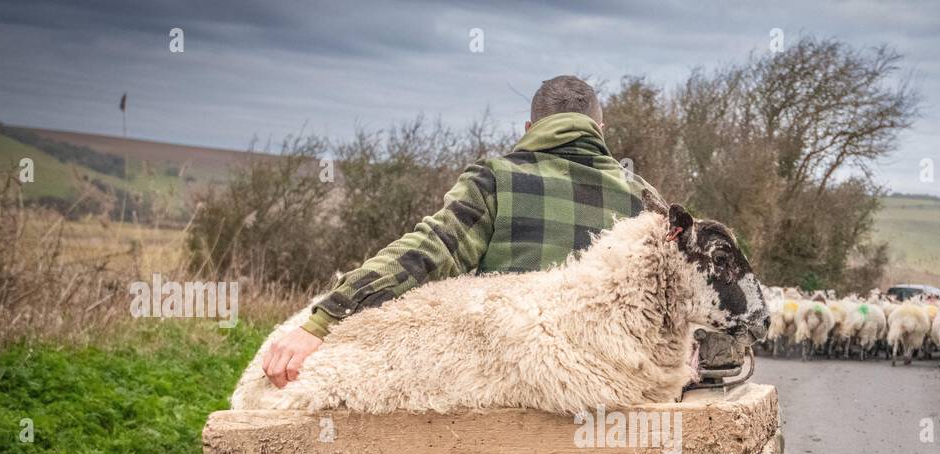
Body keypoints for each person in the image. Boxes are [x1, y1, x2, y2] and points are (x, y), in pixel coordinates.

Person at [260, 75, 650, 388]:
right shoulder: (643, 200)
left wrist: (324, 320)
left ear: (530, 128)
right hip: (611, 388)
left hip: (516, 382)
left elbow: (426, 253)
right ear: (600, 129)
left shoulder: (497, 180)